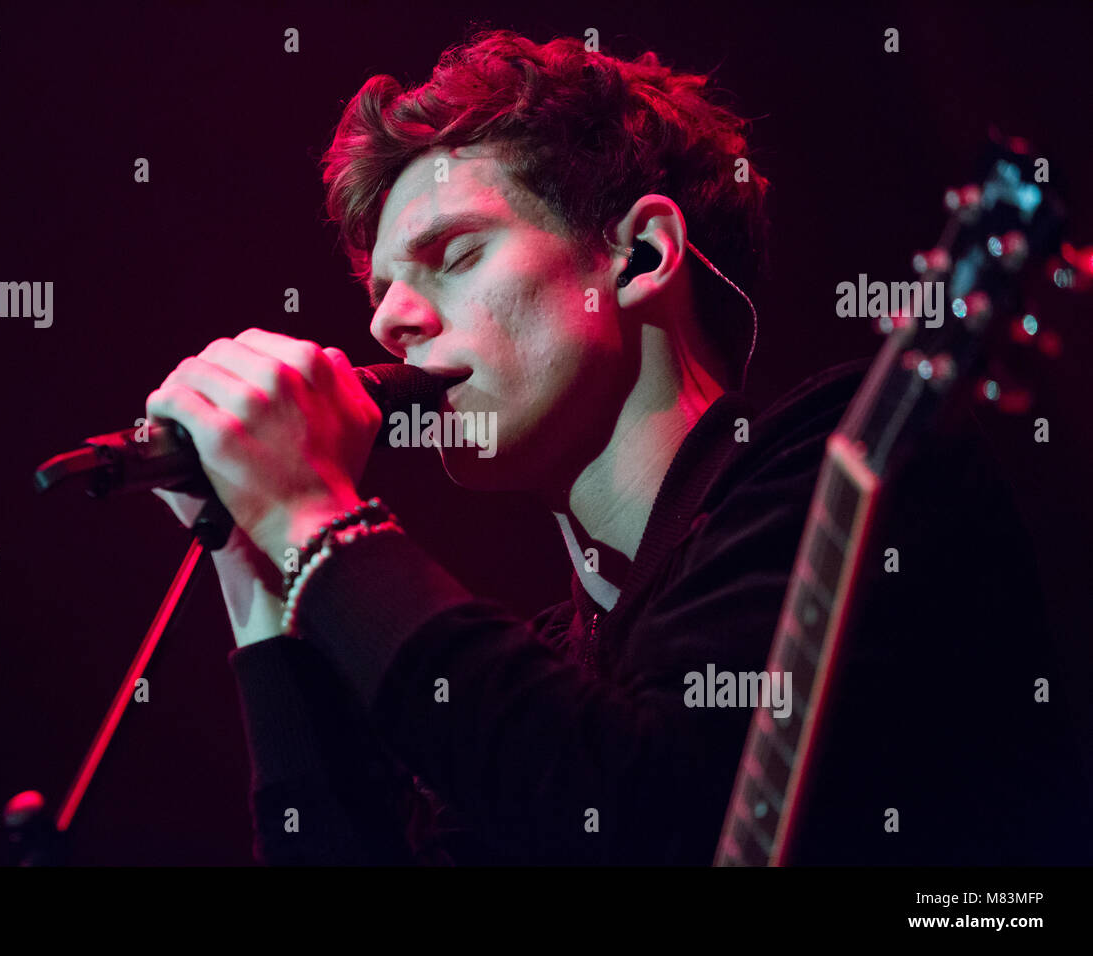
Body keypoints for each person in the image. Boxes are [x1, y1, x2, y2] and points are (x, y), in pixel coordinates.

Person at [145, 30, 1092, 864]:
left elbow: (646, 807)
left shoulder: (851, 466)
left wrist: (317, 522)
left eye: (458, 254)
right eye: (379, 291)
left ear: (639, 256)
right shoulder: (550, 670)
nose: (391, 322)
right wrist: (259, 585)